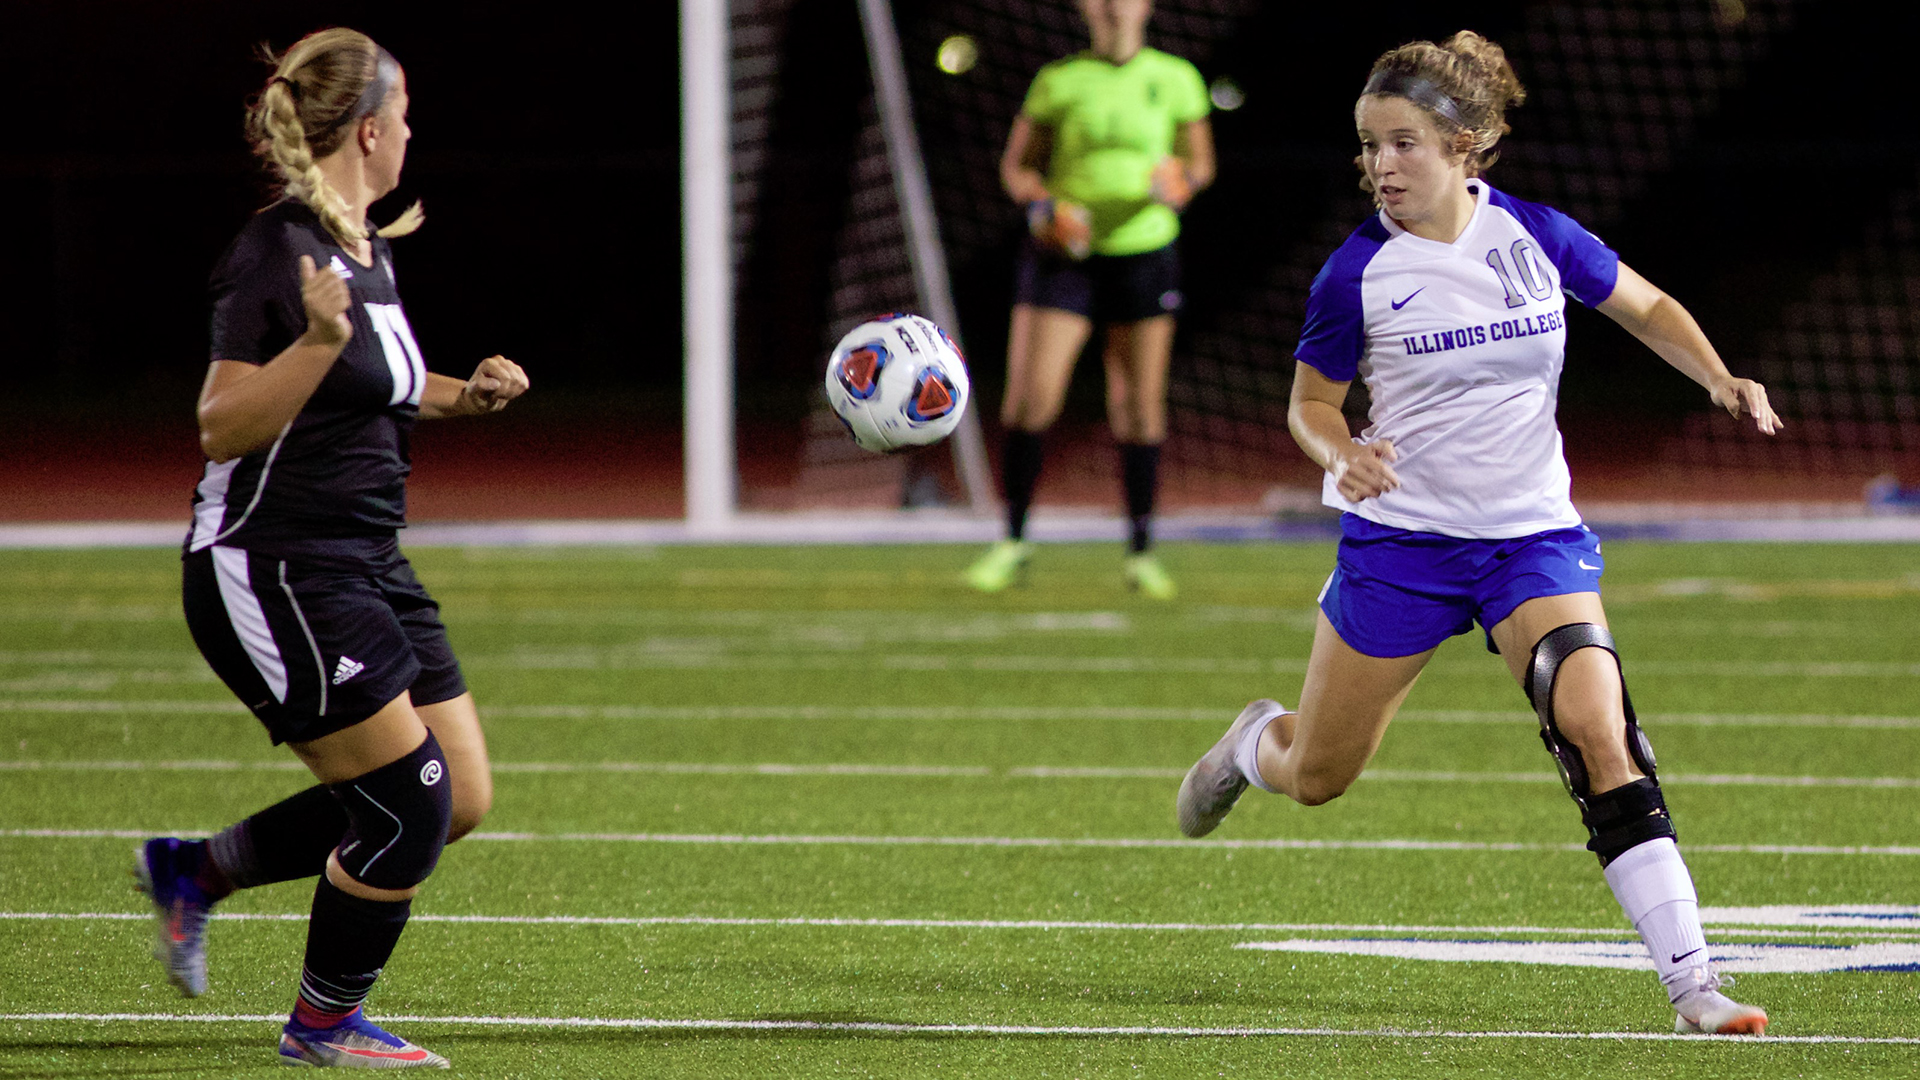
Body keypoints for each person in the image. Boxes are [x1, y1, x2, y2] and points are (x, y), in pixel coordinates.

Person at [1175, 32, 1780, 1036]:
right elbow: (1309, 405)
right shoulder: (1356, 273)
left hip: (1529, 540)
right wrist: (1340, 453)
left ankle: (1693, 986)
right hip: (1402, 549)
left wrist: (1718, 376)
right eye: (1369, 145)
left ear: (1464, 145)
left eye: (1402, 144)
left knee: (1597, 727)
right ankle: (1249, 745)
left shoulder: (1534, 235)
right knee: (1317, 776)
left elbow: (1647, 305)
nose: (1381, 166)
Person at [133, 28, 528, 1068]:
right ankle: (320, 1027)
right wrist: (313, 344)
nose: (413, 133)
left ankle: (196, 871)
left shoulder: (365, 246)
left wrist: (468, 396)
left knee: (460, 796)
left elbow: (379, 384)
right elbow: (222, 425)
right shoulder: (276, 252)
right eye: (406, 115)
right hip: (275, 565)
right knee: (410, 805)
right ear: (368, 130)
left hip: (366, 560)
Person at [963, 0, 1214, 600]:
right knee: (1031, 398)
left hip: (1145, 252)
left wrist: (1180, 182)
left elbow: (1199, 164)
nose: (1112, 6)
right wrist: (1043, 206)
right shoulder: (1059, 80)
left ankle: (1141, 553)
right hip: (1064, 256)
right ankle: (1012, 542)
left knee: (1139, 407)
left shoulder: (1176, 77)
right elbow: (1017, 168)